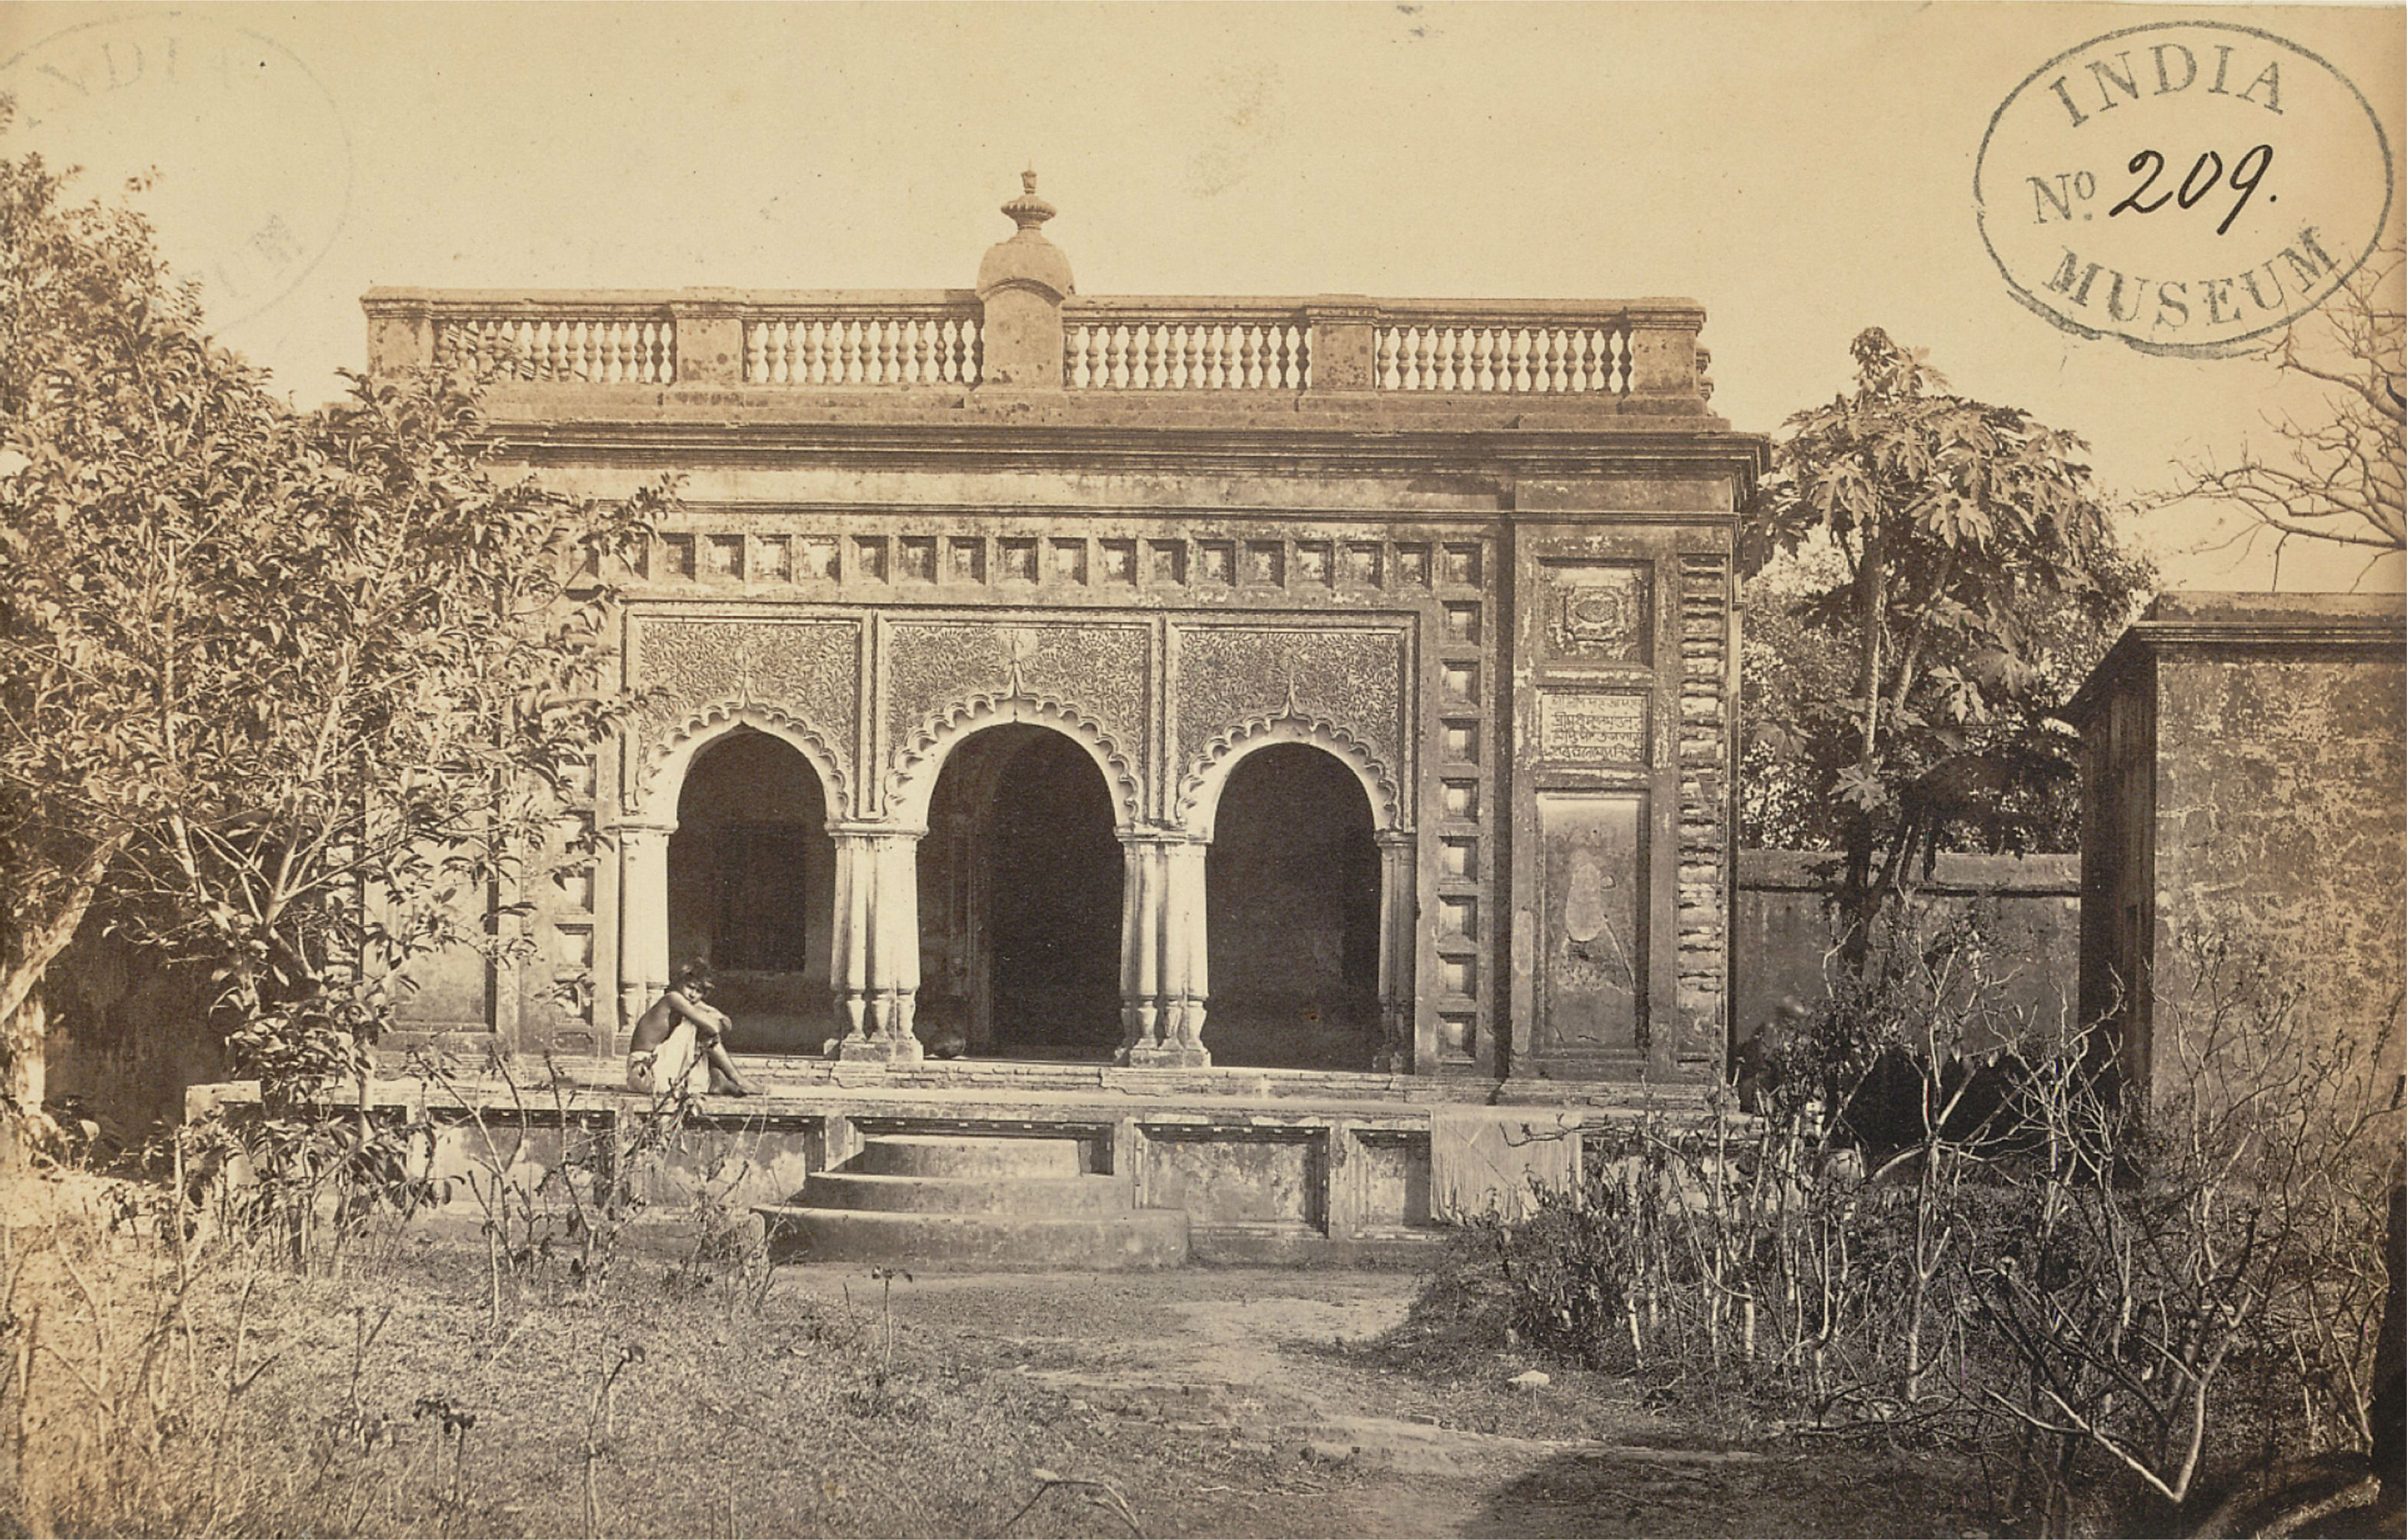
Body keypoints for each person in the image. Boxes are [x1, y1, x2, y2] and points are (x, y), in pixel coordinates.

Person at [626, 960, 754, 1097]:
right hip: (644, 1070)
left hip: (650, 1073)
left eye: (699, 991)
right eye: (690, 987)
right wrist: (717, 1021)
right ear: (680, 984)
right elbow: (715, 1027)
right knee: (699, 1026)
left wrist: (717, 1018)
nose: (693, 994)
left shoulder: (688, 1003)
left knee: (698, 1023)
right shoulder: (672, 999)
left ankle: (718, 1079)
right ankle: (736, 1079)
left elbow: (725, 1021)